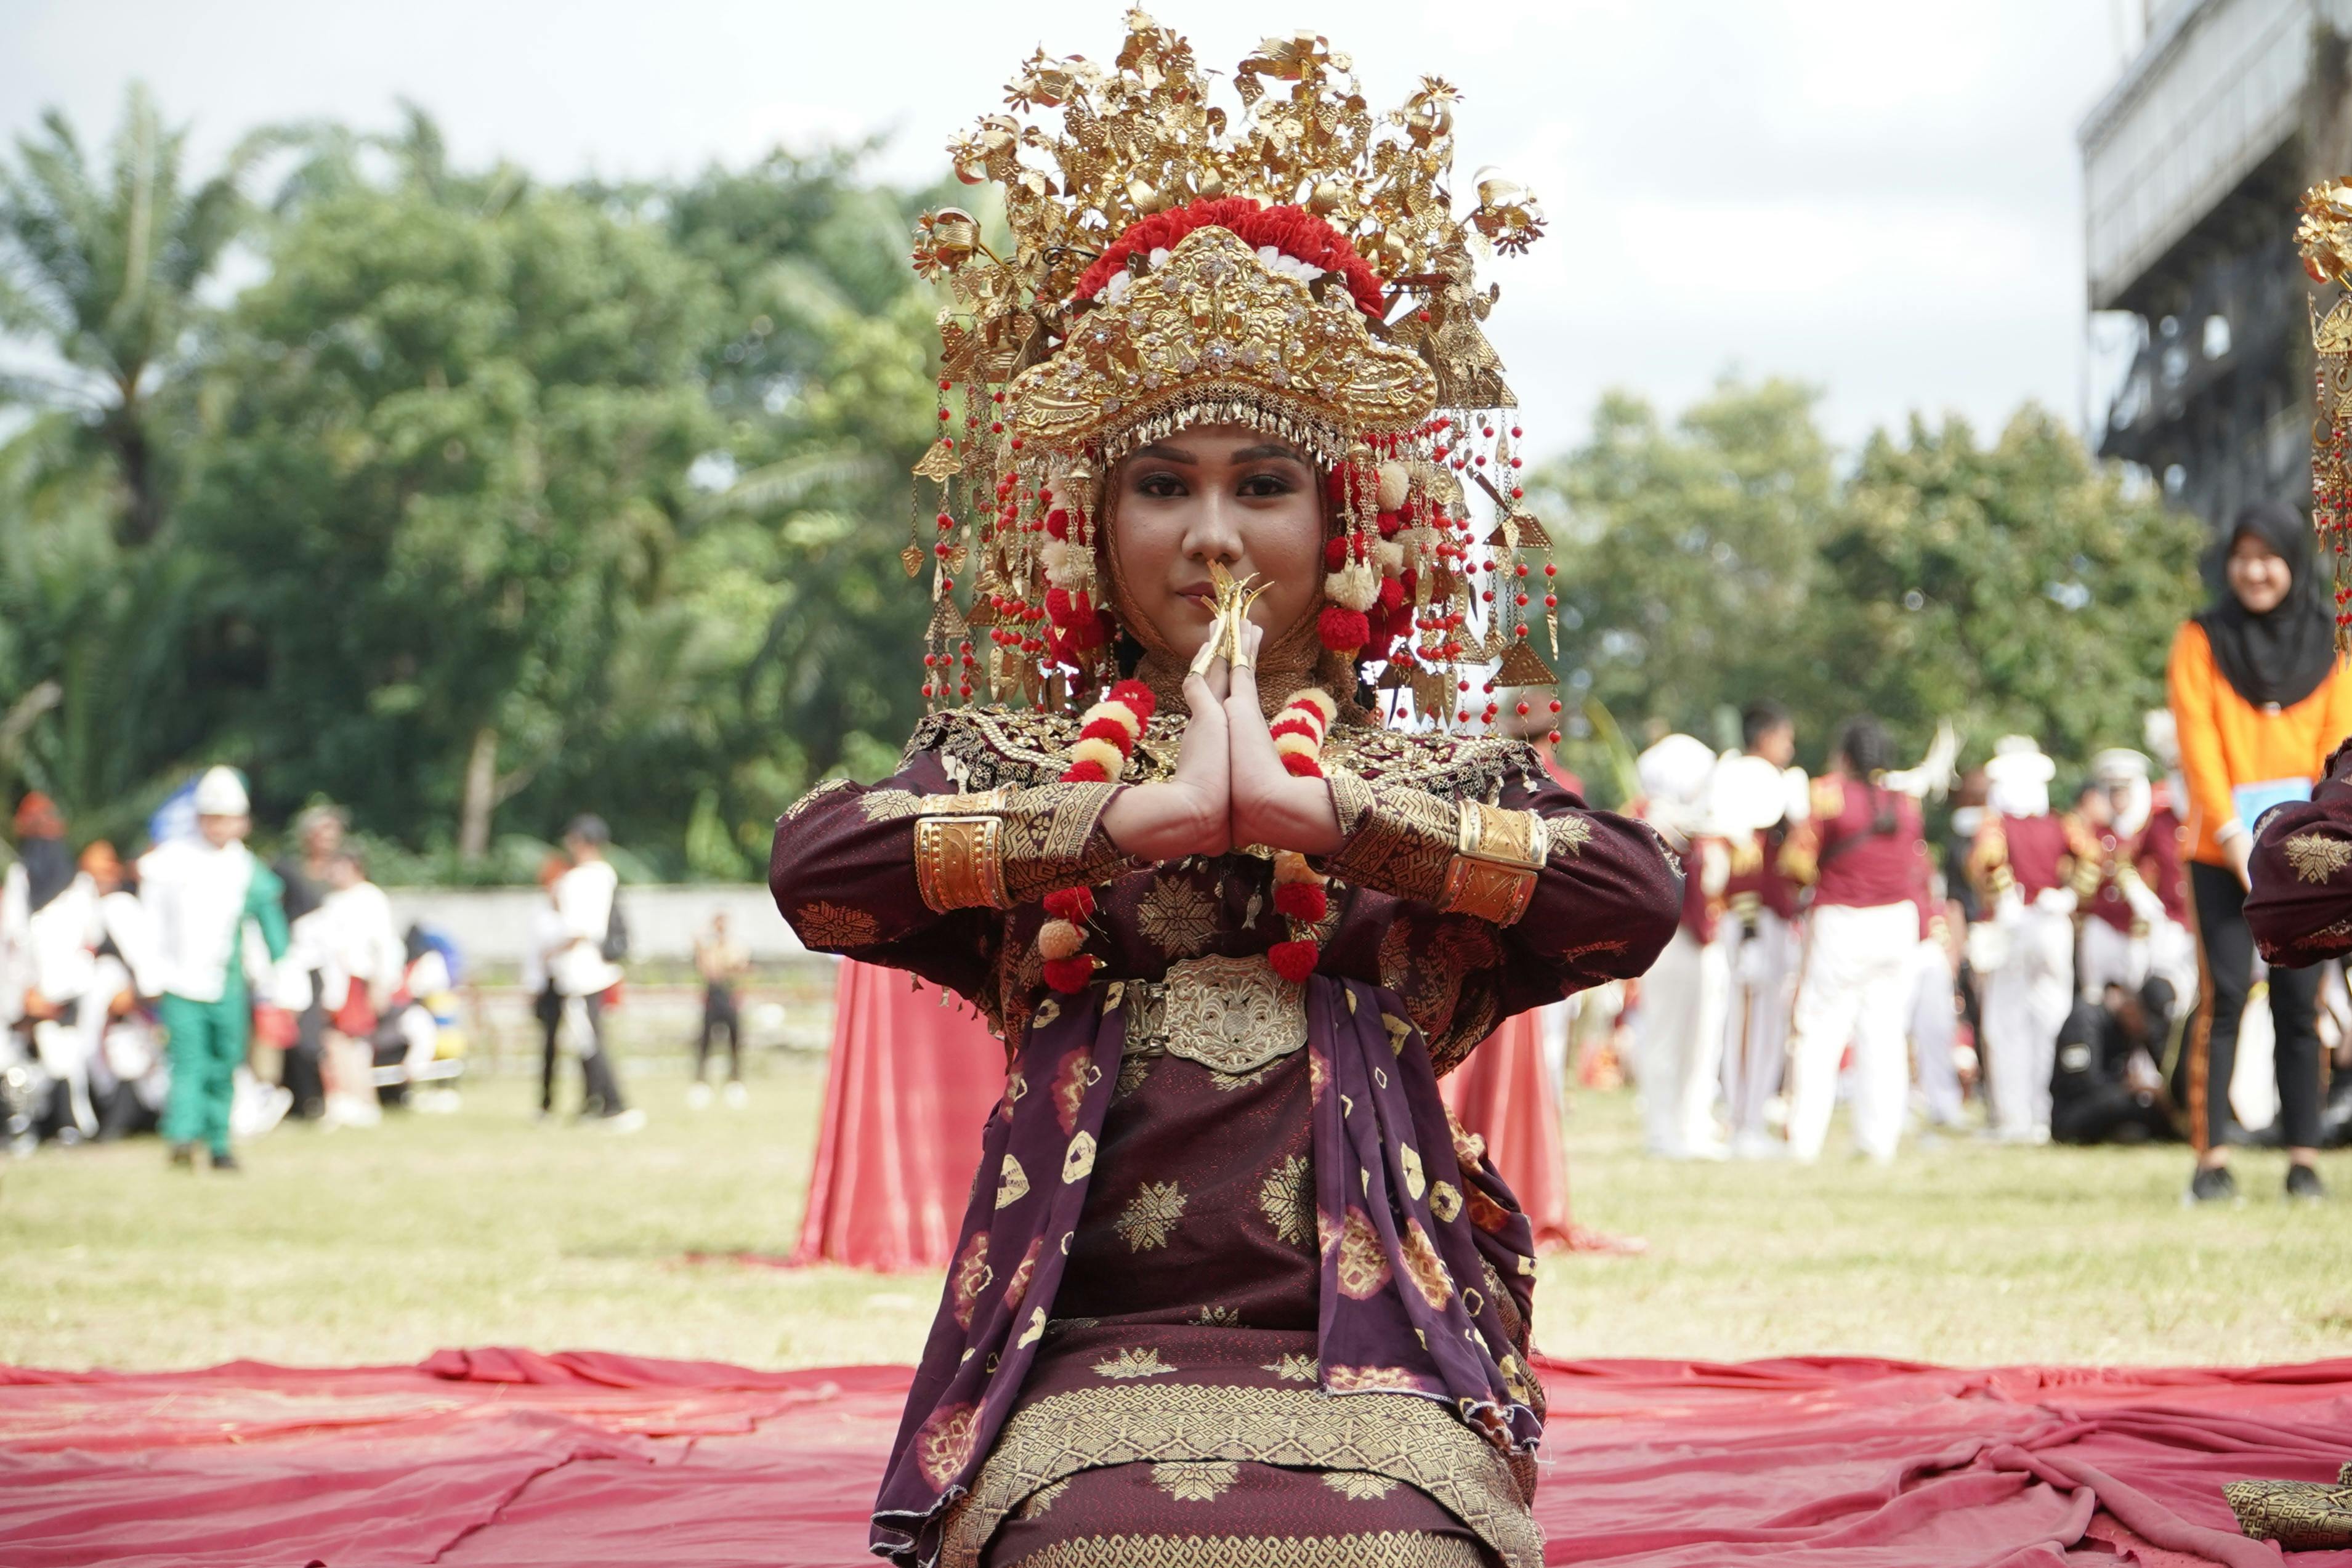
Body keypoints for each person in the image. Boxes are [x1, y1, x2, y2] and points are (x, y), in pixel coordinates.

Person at [769, 21, 1684, 1560]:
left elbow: (1637, 892)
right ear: (1084, 520)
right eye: (1161, 483)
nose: (1211, 536)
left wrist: (1326, 821)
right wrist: (1128, 821)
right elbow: (819, 868)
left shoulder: (1419, 771)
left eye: (1262, 484)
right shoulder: (1018, 768)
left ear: (1350, 522)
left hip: (1377, 1346)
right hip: (1069, 1352)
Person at [2168, 499, 2352, 1203]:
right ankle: (2210, 1160)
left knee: (2300, 1003)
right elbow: (2199, 745)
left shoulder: (2331, 643)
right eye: (2243, 556)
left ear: (2292, 562)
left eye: (2269, 556)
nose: (2255, 570)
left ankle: (2303, 1159)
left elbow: (2336, 744)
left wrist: (2301, 837)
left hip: (2303, 852)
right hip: (2220, 851)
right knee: (2222, 1001)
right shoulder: (2200, 639)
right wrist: (2233, 834)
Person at [1779, 716, 1930, 1163]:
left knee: (1819, 1032)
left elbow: (1795, 863)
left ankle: (1804, 1142)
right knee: (1884, 1036)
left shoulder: (1827, 796)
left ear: (1844, 755)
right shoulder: (1906, 804)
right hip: (1896, 923)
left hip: (1842, 921)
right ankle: (1878, 1143)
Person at [137, 767, 289, 1171]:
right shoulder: (169, 861)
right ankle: (183, 1137)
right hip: (179, 981)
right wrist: (150, 976)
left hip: (227, 982)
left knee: (225, 1063)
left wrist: (282, 970)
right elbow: (150, 924)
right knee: (188, 1064)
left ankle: (220, 1143)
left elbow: (270, 922)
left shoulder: (246, 866)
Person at [1968, 736, 2086, 1143]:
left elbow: (1986, 861)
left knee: (2005, 1023)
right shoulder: (2061, 822)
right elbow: (2091, 859)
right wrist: (2070, 895)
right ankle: (2044, 1112)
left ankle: (2013, 1116)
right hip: (2052, 923)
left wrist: (2003, 894)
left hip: (2014, 925)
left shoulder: (1995, 825)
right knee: (2050, 1020)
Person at [1630, 733, 1731, 1160]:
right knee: (1665, 1037)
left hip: (1705, 939)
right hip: (1667, 943)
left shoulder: (1705, 822)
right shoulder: (1649, 819)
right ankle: (1661, 1130)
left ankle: (1694, 1125)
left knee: (1703, 1040)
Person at [1718, 705, 1808, 1158]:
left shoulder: (1771, 785)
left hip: (1763, 917)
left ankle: (1749, 1117)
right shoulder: (1746, 784)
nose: (1789, 748)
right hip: (1748, 918)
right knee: (1748, 1022)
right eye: (1784, 737)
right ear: (1767, 737)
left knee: (1759, 1021)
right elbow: (1744, 869)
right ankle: (1743, 1121)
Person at [550, 815, 639, 1130]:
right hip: (601, 969)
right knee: (586, 1039)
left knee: (590, 1040)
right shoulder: (606, 875)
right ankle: (594, 1102)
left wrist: (551, 951)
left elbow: (578, 927)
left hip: (581, 971)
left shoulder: (577, 880)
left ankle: (614, 1104)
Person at [271, 804, 347, 1120]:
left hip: (331, 964)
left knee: (323, 1037)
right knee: (296, 1035)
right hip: (297, 962)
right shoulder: (291, 872)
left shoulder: (342, 873)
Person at [2050, 979, 2181, 1146]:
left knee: (2158, 1108)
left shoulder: (2135, 1030)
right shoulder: (2086, 1019)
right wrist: (2129, 1087)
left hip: (2111, 1103)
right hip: (2073, 1113)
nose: (2146, 1030)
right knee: (2122, 1104)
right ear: (2132, 1007)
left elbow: (2166, 1071)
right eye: (2145, 1023)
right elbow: (2083, 1084)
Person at [523, 854, 568, 1120]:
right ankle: (546, 1103)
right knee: (549, 1047)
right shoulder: (541, 915)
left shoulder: (576, 913)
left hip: (574, 983)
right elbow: (533, 956)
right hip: (549, 986)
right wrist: (532, 988)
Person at [690, 911, 749, 1109]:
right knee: (705, 1040)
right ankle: (701, 1081)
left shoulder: (735, 945)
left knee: (735, 1040)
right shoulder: (708, 947)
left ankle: (735, 1080)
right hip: (712, 996)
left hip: (729, 995)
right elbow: (706, 965)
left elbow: (738, 967)